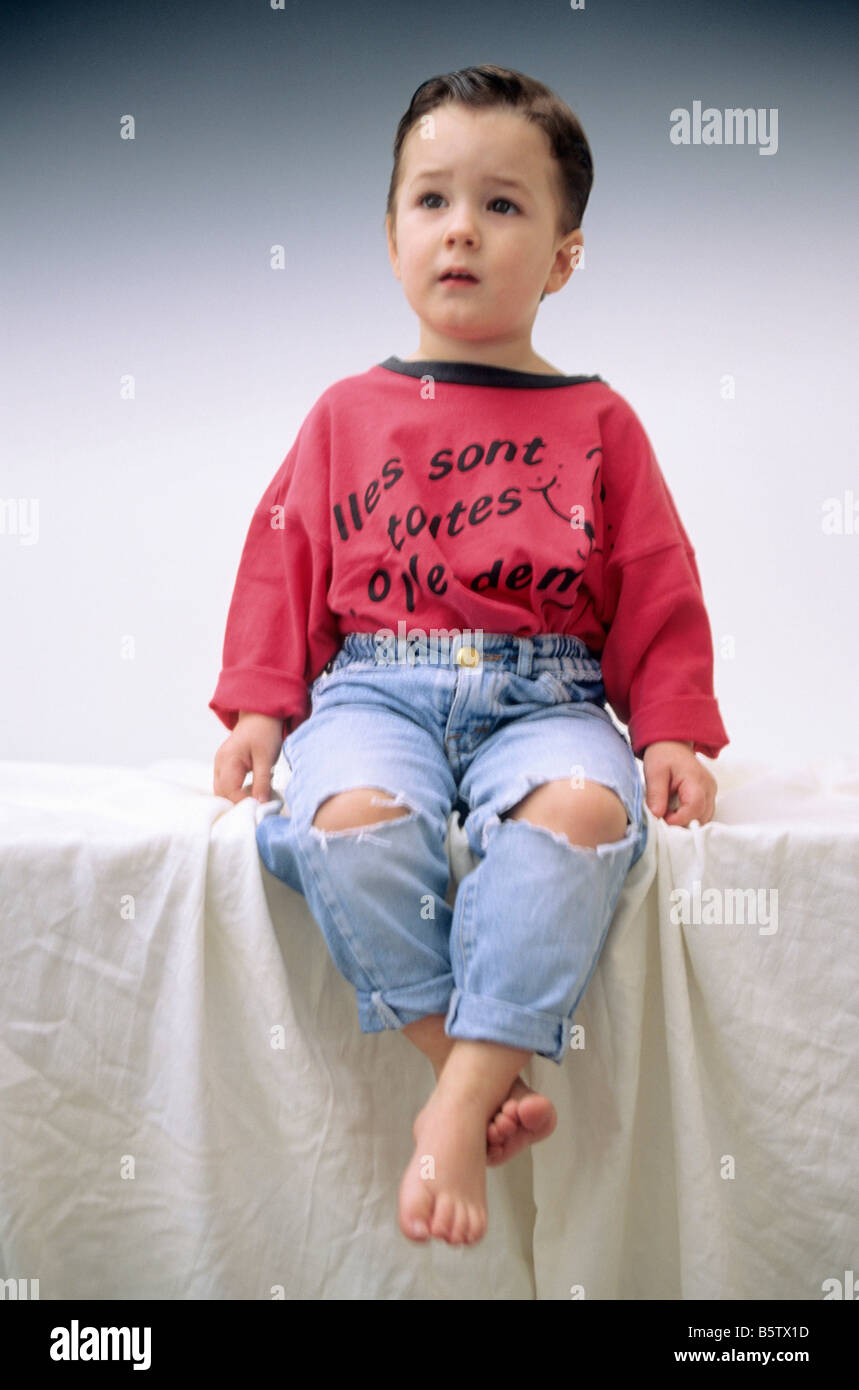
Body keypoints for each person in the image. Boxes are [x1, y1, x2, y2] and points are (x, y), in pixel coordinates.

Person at [210, 64, 729, 1249]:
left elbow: (655, 583)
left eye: (503, 205)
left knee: (586, 817)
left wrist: (670, 731)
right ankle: (475, 1078)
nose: (461, 229)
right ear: (391, 236)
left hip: (544, 692)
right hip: (374, 686)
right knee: (345, 821)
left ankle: (452, 1100)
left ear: (561, 255)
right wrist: (256, 707)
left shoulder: (601, 423)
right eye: (431, 200)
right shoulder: (346, 411)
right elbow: (279, 563)